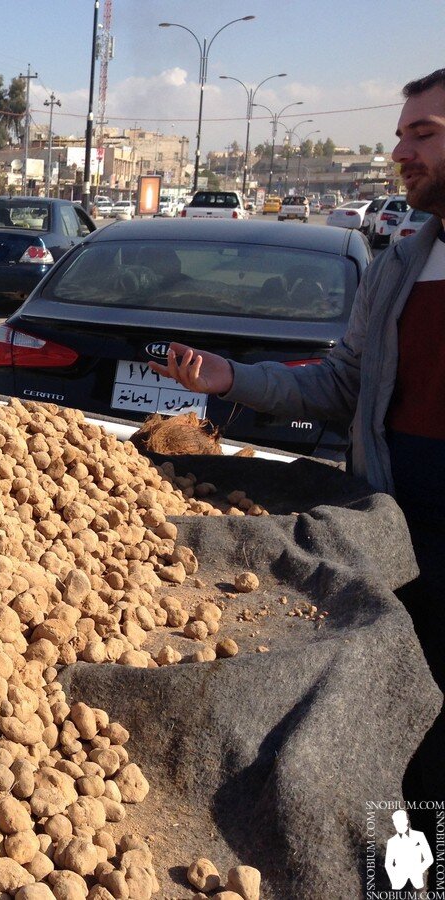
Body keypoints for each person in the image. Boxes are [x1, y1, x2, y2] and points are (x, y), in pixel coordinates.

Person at [149, 68, 445, 803]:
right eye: (403, 133)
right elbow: (341, 384)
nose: (402, 150)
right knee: (392, 746)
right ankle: (404, 879)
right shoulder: (401, 264)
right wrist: (231, 378)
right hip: (398, 531)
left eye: (425, 134)